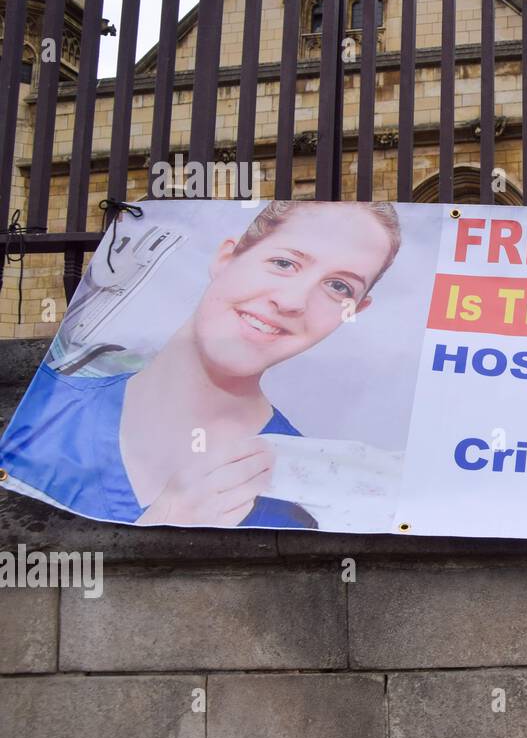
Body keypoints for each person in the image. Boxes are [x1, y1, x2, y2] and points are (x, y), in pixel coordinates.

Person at [0, 199, 402, 529]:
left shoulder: (302, 493)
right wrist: (166, 516)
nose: (293, 300)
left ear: (354, 310)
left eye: (338, 287)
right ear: (227, 258)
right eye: (284, 263)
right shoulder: (52, 410)